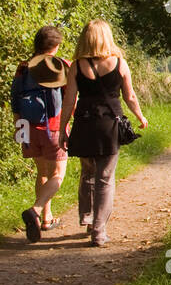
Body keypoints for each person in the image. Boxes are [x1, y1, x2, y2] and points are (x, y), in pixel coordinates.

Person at [57, 20, 148, 247]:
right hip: (109, 125)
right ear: (107, 37)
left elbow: (69, 101)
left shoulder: (76, 66)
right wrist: (140, 117)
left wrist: (62, 129)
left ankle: (87, 217)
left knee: (87, 171)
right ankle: (99, 231)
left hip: (84, 124)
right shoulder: (119, 63)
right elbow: (130, 97)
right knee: (105, 178)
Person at [14, 26, 70, 243]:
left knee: (42, 172)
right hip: (52, 126)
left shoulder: (23, 67)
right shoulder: (60, 65)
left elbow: (14, 98)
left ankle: (47, 219)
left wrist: (19, 127)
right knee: (58, 174)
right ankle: (36, 211)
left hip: (27, 126)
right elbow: (70, 97)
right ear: (55, 46)